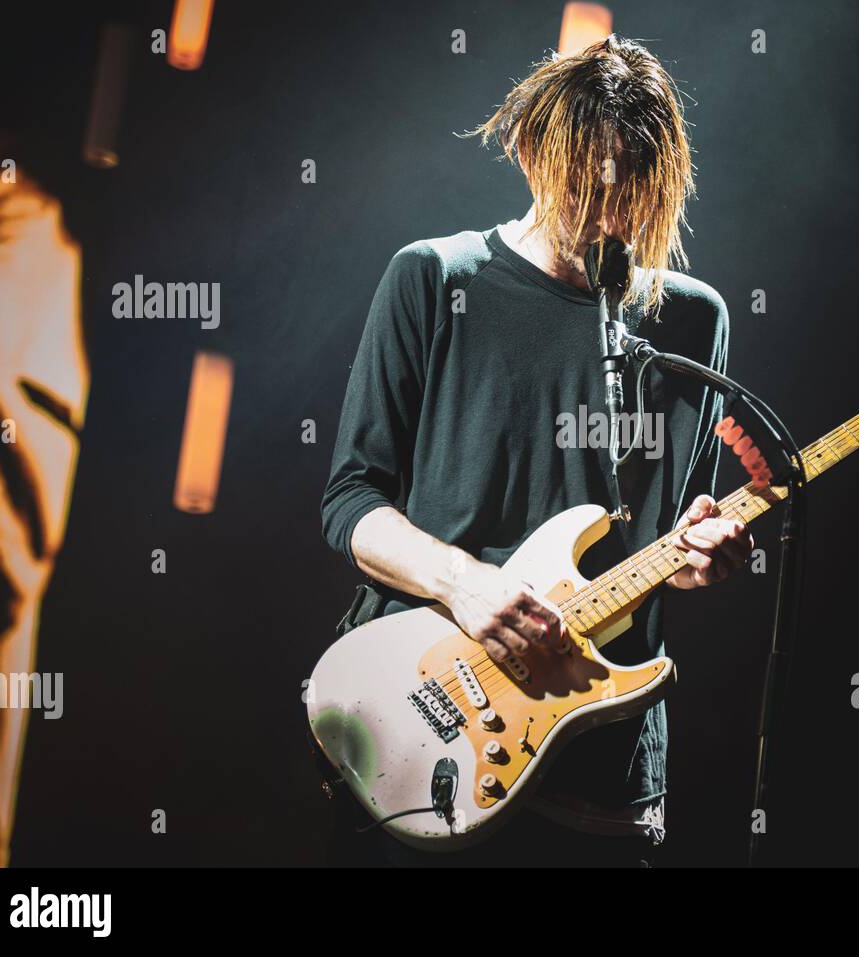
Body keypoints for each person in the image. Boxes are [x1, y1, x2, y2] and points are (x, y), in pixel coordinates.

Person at [320, 35, 752, 867]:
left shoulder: (693, 322)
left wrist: (698, 556)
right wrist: (466, 583)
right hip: (427, 729)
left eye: (633, 179)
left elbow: (666, 540)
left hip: (602, 766)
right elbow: (350, 502)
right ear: (528, 149)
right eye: (589, 172)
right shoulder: (434, 279)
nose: (609, 203)